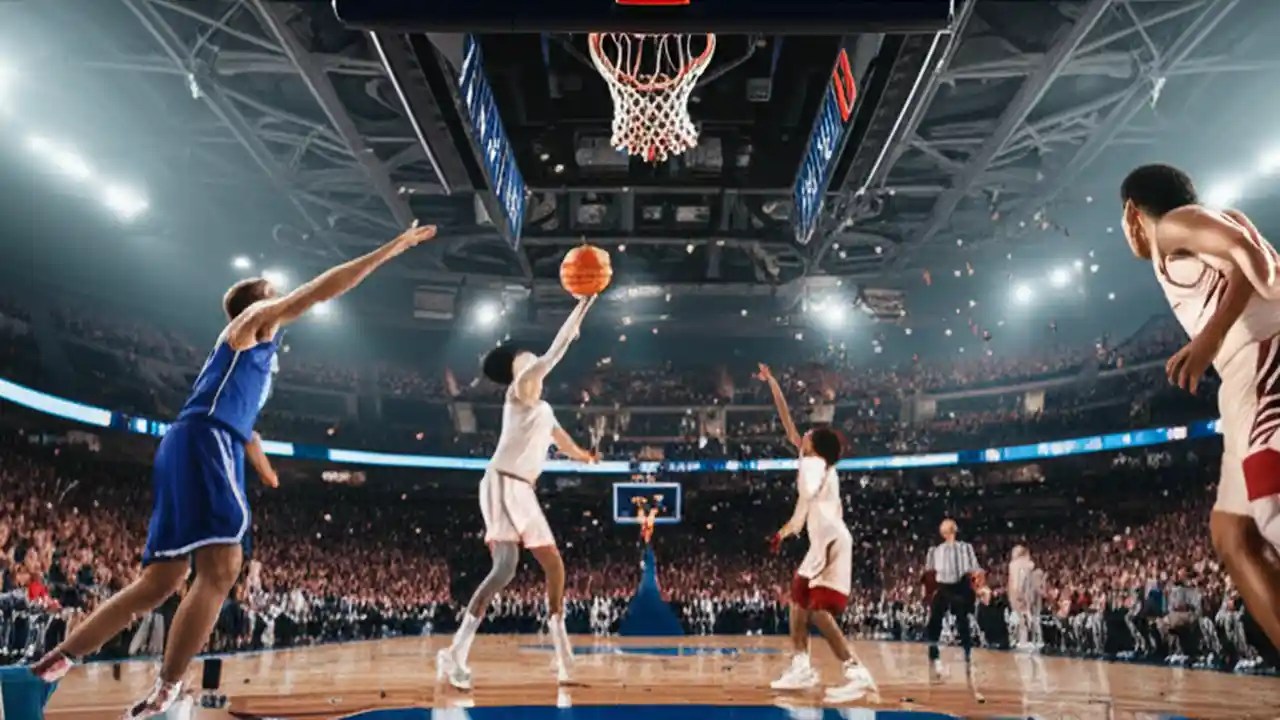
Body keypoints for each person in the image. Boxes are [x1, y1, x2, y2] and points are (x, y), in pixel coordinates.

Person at [29, 222, 438, 718]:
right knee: (222, 568)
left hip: (194, 440)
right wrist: (390, 249)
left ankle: (58, 659)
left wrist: (265, 471)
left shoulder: (250, 362)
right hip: (206, 439)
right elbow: (319, 290)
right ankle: (168, 687)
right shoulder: (252, 322)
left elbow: (248, 431)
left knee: (161, 582)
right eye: (274, 292)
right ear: (258, 302)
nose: (281, 296)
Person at [1120, 163, 1280, 651]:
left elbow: (1248, 254)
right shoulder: (1193, 233)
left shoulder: (1173, 225)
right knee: (1233, 533)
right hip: (1245, 372)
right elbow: (1239, 257)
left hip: (1264, 358)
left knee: (1273, 510)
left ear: (1132, 214)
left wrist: (1209, 338)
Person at [436, 296, 600, 691]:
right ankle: (459, 653)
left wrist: (585, 456)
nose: (531, 363)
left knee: (536, 567)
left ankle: (558, 658)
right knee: (515, 568)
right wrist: (582, 306)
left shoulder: (544, 409)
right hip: (502, 482)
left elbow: (562, 441)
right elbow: (556, 351)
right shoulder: (518, 391)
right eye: (525, 361)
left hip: (517, 487)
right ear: (518, 371)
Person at [755, 364, 874, 703]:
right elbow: (787, 424)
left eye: (807, 436)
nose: (801, 436)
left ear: (815, 447)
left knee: (819, 609)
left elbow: (806, 495)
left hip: (832, 541)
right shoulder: (812, 461)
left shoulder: (816, 466)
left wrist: (793, 520)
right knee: (798, 600)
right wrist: (773, 382)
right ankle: (801, 665)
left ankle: (856, 671)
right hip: (823, 541)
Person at [922, 518, 982, 681]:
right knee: (935, 620)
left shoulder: (965, 548)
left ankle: (967, 652)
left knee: (962, 620)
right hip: (943, 587)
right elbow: (930, 573)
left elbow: (975, 569)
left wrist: (978, 588)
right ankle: (933, 651)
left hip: (960, 585)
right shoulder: (936, 551)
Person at [1007, 545, 1041, 651]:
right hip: (1021, 592)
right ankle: (1024, 641)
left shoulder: (1012, 565)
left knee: (1021, 617)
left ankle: (1019, 640)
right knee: (1024, 617)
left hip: (1015, 593)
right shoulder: (1025, 564)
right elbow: (1021, 581)